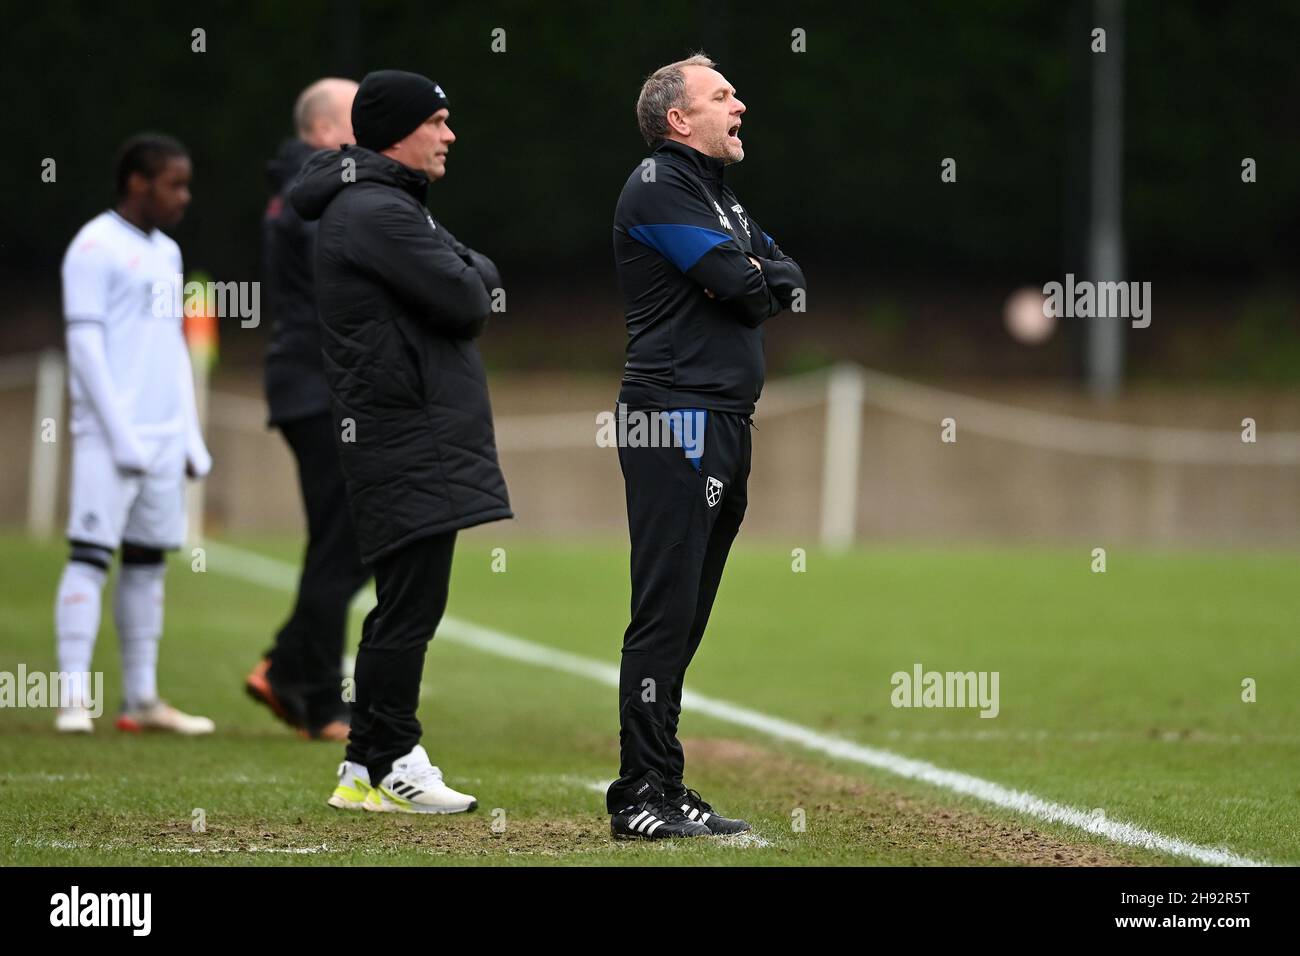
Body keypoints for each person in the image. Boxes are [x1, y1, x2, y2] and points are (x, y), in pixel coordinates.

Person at [289, 69, 511, 813]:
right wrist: (464, 275)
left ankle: (361, 768)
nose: (450, 135)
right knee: (410, 606)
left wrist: (465, 274)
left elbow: (480, 276)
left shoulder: (389, 204)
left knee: (403, 602)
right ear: (397, 130)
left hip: (412, 432)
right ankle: (394, 759)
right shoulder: (378, 211)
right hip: (404, 431)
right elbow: (469, 295)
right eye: (438, 121)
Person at [607, 54, 806, 838]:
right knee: (663, 613)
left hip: (722, 417)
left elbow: (787, 280)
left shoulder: (716, 196)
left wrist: (751, 276)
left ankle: (664, 780)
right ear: (678, 119)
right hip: (673, 417)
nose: (740, 103)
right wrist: (749, 277)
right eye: (722, 95)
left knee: (686, 614)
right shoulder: (658, 185)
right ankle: (640, 795)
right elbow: (745, 284)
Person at [55, 132, 215, 736]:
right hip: (109, 437)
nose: (184, 195)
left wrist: (190, 436)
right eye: (174, 183)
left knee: (147, 563)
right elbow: (86, 346)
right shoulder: (92, 247)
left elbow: (171, 348)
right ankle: (72, 698)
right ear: (137, 182)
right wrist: (119, 434)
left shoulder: (168, 254)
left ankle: (142, 699)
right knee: (91, 556)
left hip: (164, 437)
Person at [246, 77, 370, 742]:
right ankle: (316, 695)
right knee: (347, 541)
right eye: (357, 116)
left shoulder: (304, 184)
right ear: (323, 129)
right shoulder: (317, 189)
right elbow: (345, 277)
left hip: (308, 387)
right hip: (317, 388)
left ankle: (287, 666)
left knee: (344, 541)